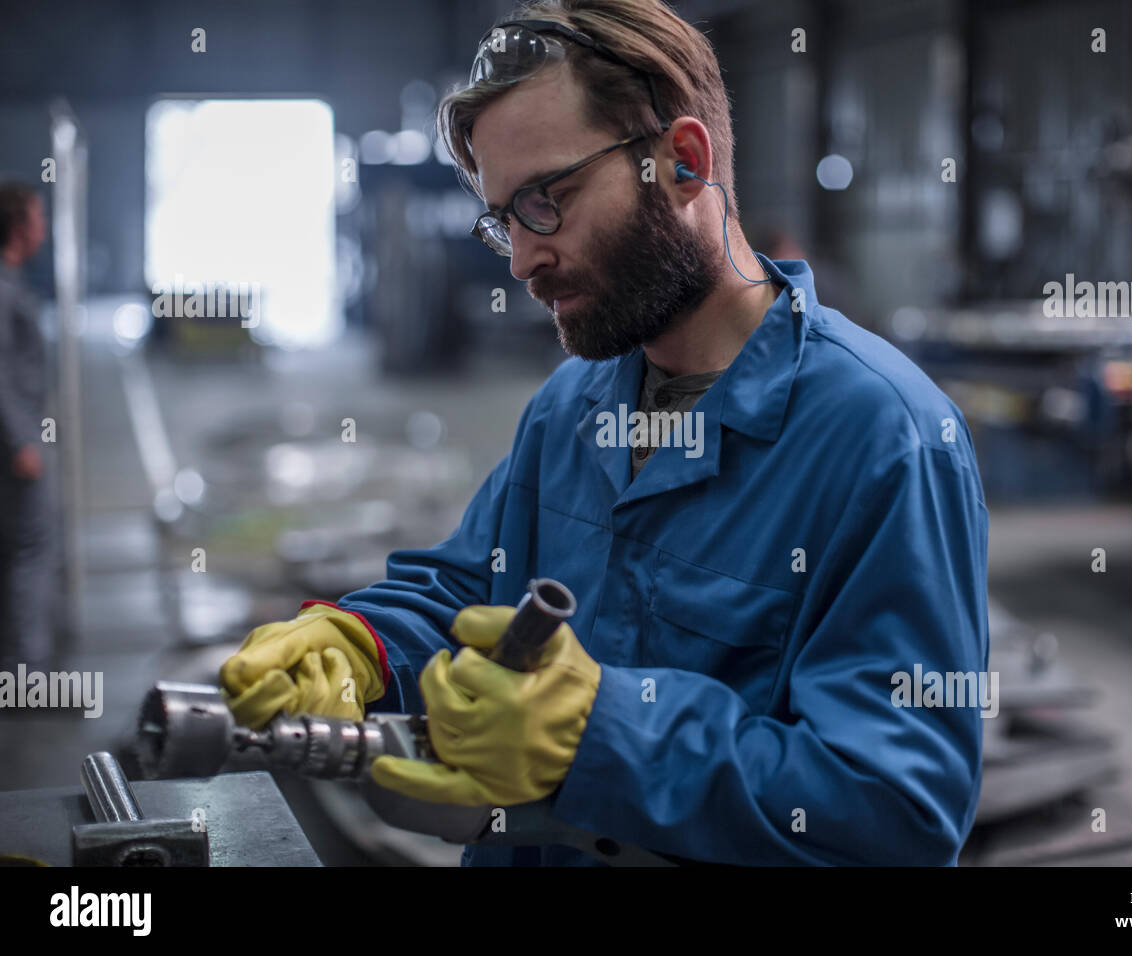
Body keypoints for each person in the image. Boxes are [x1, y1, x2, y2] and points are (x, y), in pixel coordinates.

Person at [219, 0, 989, 866]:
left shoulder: (885, 438)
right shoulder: (576, 402)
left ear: (685, 163)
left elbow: (894, 811)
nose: (520, 259)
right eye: (503, 217)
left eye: (548, 201)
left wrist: (599, 738)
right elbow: (477, 593)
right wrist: (363, 643)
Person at [0, 182, 53, 672]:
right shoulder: (3, 287)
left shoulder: (13, 283)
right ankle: (24, 671)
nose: (44, 228)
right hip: (15, 443)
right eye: (38, 218)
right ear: (18, 228)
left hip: (21, 434)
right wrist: (21, 441)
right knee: (28, 549)